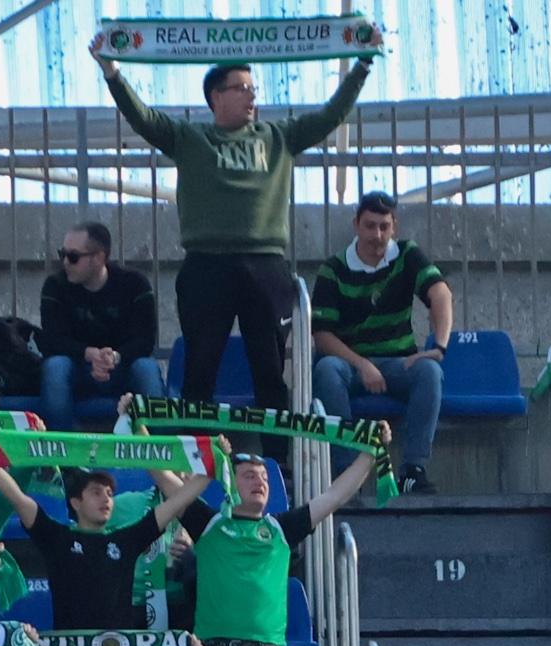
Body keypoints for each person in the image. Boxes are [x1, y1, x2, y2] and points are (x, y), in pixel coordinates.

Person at [95, 38, 374, 412]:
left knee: (270, 369)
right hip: (206, 265)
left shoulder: (279, 137)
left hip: (265, 264)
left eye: (253, 89)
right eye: (241, 88)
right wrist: (112, 71)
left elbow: (330, 115)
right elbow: (142, 116)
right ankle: (196, 461)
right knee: (200, 369)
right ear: (216, 97)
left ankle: (277, 464)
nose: (251, 97)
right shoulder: (189, 138)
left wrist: (362, 65)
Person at [311, 192, 452, 492]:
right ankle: (346, 474)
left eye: (384, 227)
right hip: (350, 363)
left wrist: (438, 348)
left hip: (398, 361)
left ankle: (413, 470)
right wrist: (362, 365)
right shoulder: (333, 270)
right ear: (356, 225)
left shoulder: (407, 255)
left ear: (394, 227)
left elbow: (440, 294)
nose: (377, 235)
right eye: (370, 226)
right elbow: (322, 336)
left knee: (430, 372)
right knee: (326, 371)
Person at [39, 220, 161, 427]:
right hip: (76, 368)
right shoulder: (55, 285)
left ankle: (162, 450)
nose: (65, 263)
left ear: (99, 258)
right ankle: (64, 451)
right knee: (55, 367)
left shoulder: (135, 284)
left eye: (73, 257)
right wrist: (88, 354)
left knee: (146, 368)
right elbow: (51, 340)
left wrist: (114, 357)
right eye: (63, 254)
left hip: (123, 367)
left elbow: (145, 340)